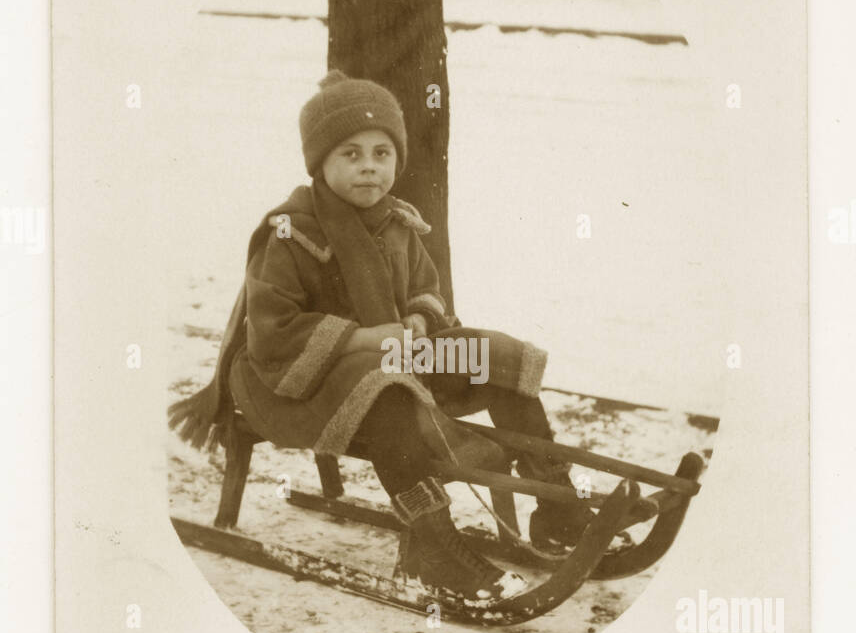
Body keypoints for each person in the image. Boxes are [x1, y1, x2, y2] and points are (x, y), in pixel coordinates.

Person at [168, 70, 593, 600]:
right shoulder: (290, 230)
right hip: (296, 380)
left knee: (492, 354)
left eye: (381, 153)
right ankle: (432, 544)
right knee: (383, 382)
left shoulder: (396, 222)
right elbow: (273, 333)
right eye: (350, 154)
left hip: (393, 355)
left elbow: (426, 291)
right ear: (319, 163)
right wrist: (364, 339)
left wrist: (418, 320)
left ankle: (558, 505)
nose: (369, 166)